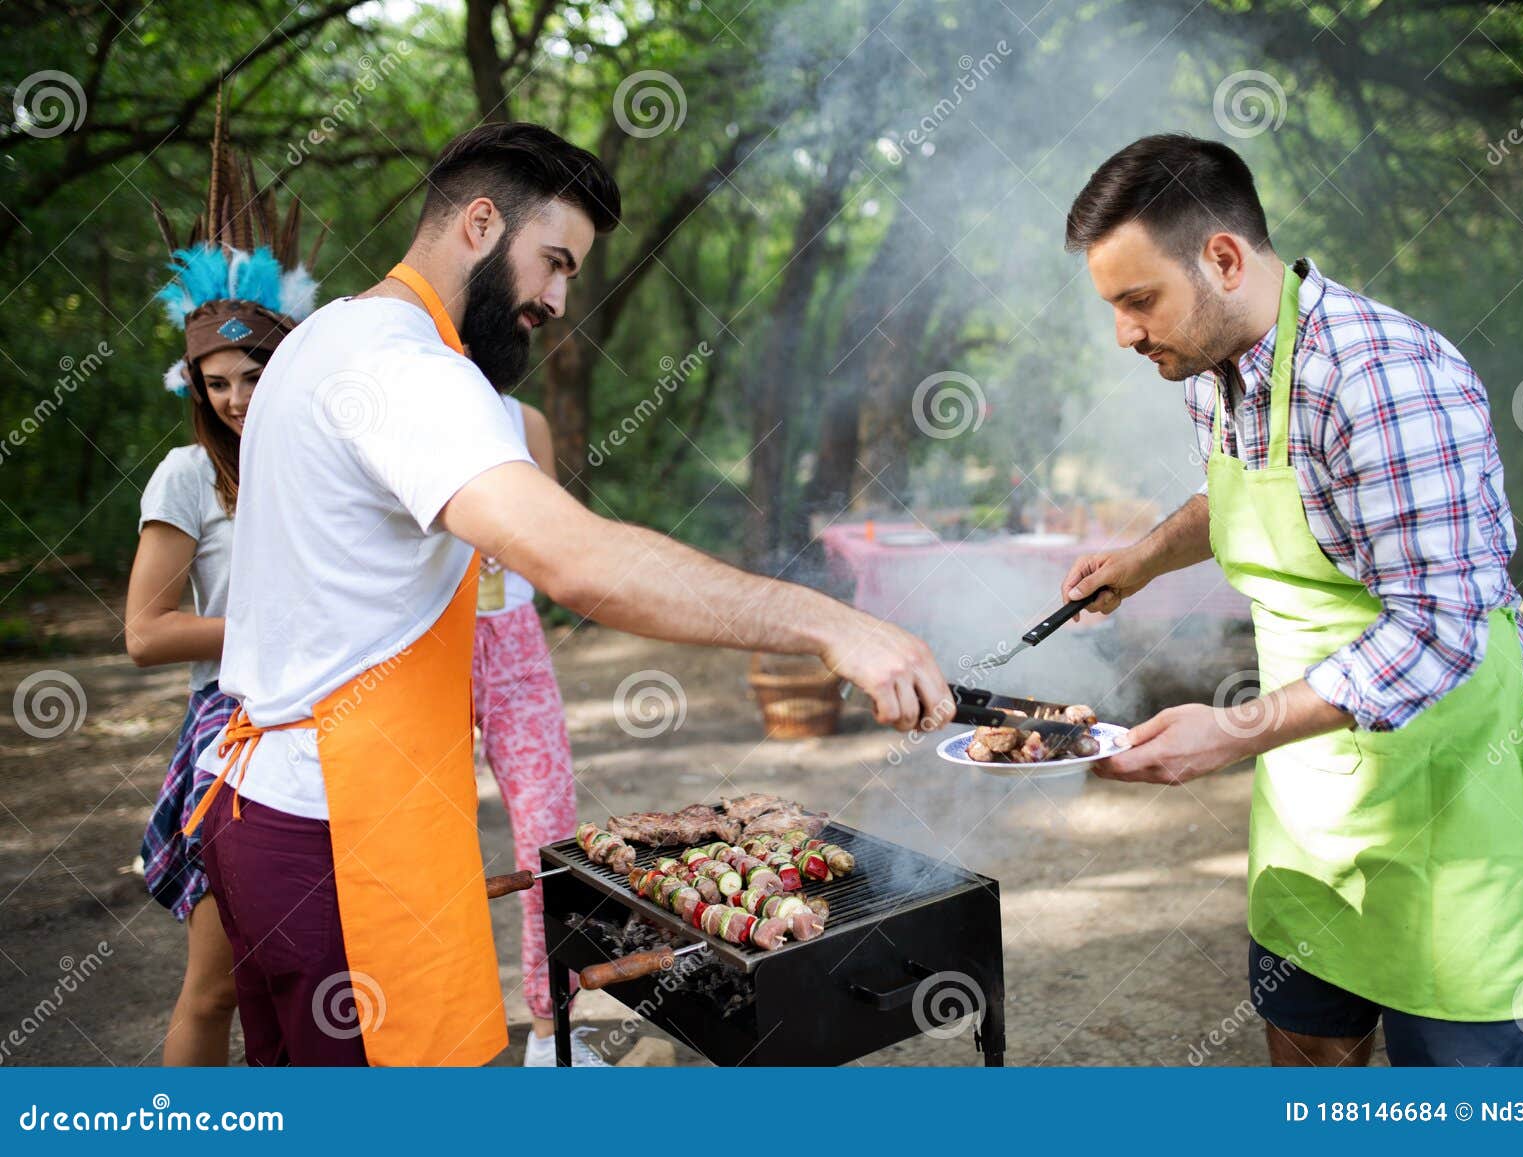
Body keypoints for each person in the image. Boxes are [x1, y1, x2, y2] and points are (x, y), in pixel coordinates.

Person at [184, 121, 952, 1067]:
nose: (555, 300)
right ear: (477, 224)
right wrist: (830, 623)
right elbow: (578, 561)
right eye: (552, 262)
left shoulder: (322, 340)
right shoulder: (406, 369)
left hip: (270, 813)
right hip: (342, 836)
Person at [1061, 134, 1523, 1067]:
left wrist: (1234, 730)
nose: (1124, 334)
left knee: (1465, 1091)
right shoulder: (1213, 374)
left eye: (1139, 301)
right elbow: (1243, 498)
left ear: (1220, 258)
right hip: (1312, 776)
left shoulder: (1385, 377)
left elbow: (1438, 631)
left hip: (1458, 773)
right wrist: (1137, 561)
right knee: (1307, 1051)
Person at [124, 97, 321, 1066]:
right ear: (193, 384)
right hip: (234, 742)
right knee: (214, 986)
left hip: (327, 743)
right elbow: (146, 632)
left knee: (306, 978)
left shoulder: (316, 470)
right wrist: (267, 624)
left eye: (255, 374)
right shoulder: (188, 475)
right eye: (218, 381)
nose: (237, 399)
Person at [469, 395, 580, 1066]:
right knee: (426, 843)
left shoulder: (525, 420)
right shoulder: (403, 401)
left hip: (515, 640)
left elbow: (554, 543)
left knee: (549, 835)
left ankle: (548, 1031)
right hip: (427, 646)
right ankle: (437, 1034)